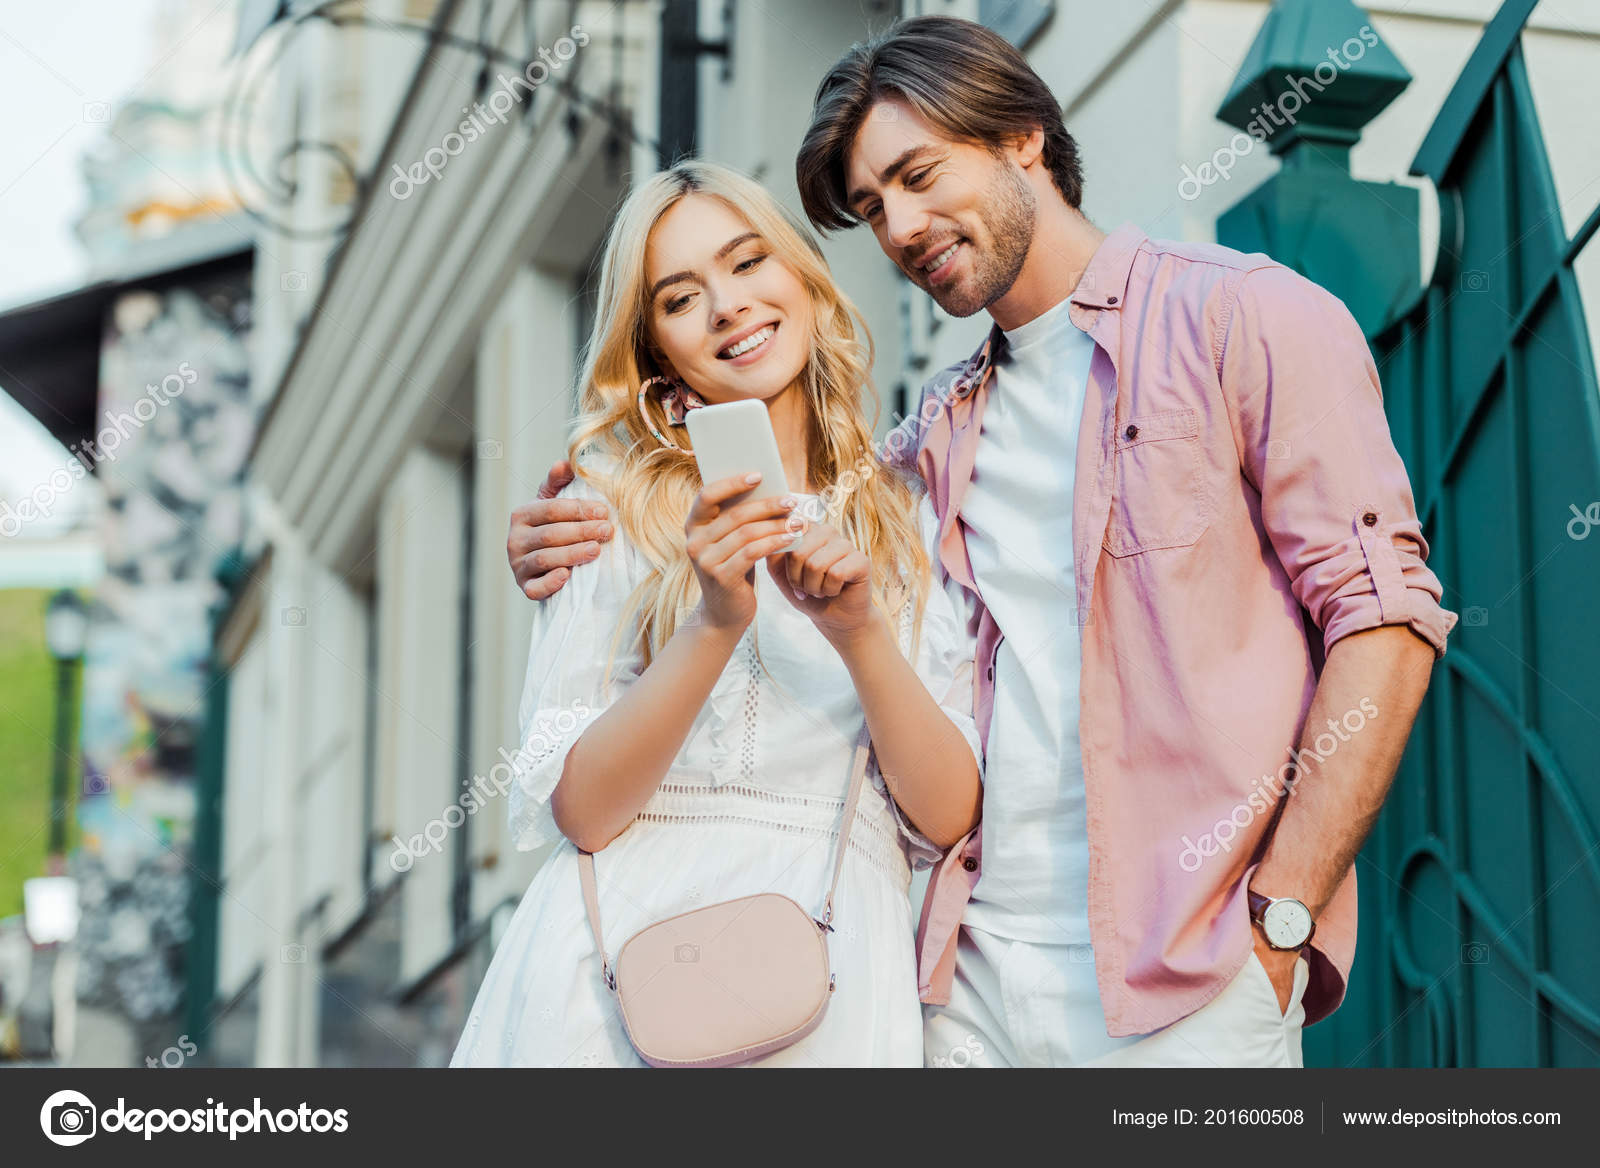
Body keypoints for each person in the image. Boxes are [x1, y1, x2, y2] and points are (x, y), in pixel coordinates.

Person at [507, 17, 1456, 1067]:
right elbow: (800, 511)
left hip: (1188, 978)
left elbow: (1385, 619)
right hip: (961, 987)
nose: (903, 226)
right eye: (871, 208)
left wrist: (1281, 920)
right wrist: (576, 529)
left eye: (918, 174)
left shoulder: (1245, 317)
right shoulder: (930, 439)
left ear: (1020, 139)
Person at [452, 160, 982, 1067]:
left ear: (806, 280)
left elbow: (946, 816)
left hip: (831, 978)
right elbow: (582, 810)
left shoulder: (909, 514)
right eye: (680, 298)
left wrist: (857, 634)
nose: (729, 306)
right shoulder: (610, 502)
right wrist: (713, 622)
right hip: (608, 980)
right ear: (655, 348)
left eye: (748, 264)